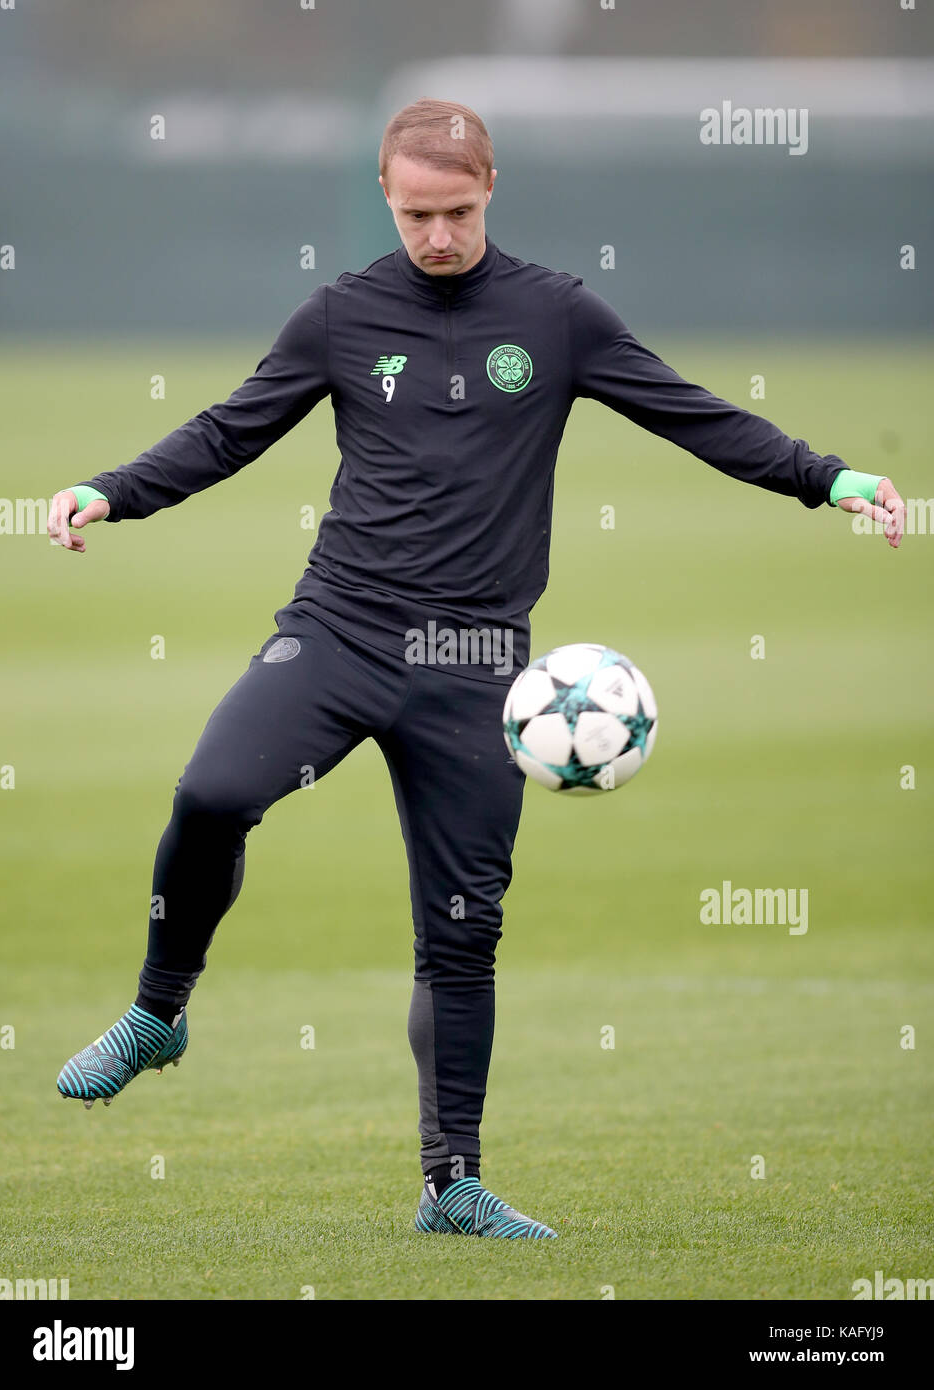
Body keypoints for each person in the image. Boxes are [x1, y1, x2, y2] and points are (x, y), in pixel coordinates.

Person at [50, 98, 904, 1242]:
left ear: (490, 188)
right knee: (210, 793)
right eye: (416, 215)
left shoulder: (558, 317)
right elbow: (227, 429)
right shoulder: (340, 315)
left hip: (478, 664)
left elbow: (690, 414)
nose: (438, 235)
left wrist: (830, 477)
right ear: (387, 198)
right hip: (339, 631)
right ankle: (160, 1011)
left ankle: (451, 1184)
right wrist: (110, 490)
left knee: (460, 929)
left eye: (456, 211)